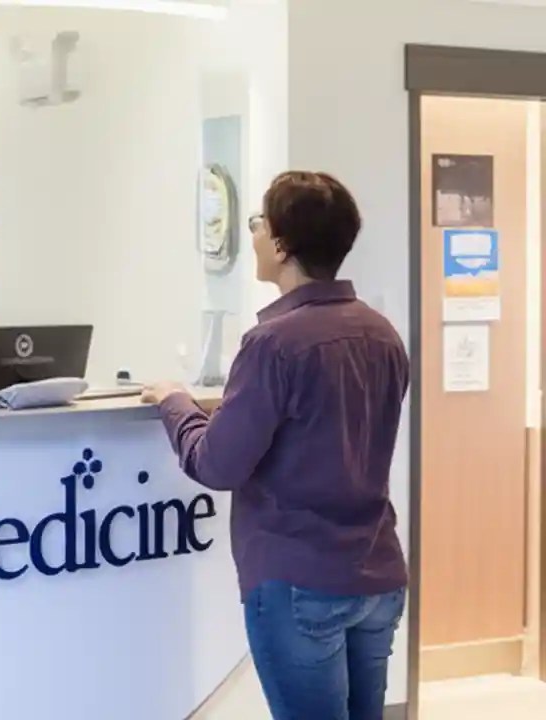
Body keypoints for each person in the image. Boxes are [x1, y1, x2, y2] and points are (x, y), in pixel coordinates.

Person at [142, 171, 409, 720]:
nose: (255, 234)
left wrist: (175, 402)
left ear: (283, 244)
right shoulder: (383, 334)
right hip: (378, 576)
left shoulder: (273, 344)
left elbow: (217, 465)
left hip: (300, 584)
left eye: (259, 223)